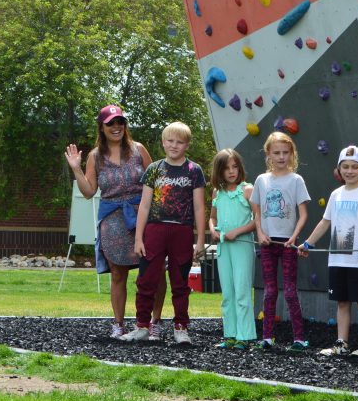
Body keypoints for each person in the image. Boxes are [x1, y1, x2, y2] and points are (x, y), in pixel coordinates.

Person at [65, 104, 166, 339]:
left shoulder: (139, 150)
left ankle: (154, 321)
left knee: (156, 270)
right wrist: (76, 169)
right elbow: (89, 191)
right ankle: (118, 324)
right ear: (102, 127)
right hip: (112, 220)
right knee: (118, 274)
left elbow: (157, 183)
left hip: (142, 215)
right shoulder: (95, 156)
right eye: (110, 123)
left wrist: (160, 215)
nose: (116, 127)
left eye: (120, 122)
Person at [121, 121, 207, 344]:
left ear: (187, 145)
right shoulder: (154, 169)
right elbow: (144, 206)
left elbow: (199, 207)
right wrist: (138, 238)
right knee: (146, 280)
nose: (174, 145)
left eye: (180, 142)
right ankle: (142, 326)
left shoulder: (194, 171)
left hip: (182, 230)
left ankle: (181, 328)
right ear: (163, 142)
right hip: (155, 230)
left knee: (180, 283)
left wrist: (200, 239)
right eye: (170, 141)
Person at [298, 145, 358, 359]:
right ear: (339, 169)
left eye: (355, 167)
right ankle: (341, 343)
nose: (349, 171)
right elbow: (325, 222)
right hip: (337, 259)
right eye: (345, 166)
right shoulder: (336, 194)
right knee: (342, 302)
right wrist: (308, 243)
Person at [251, 132, 311, 351]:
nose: (281, 157)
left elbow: (303, 214)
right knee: (270, 291)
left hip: (288, 244)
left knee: (290, 291)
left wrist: (294, 236)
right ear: (268, 154)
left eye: (285, 152)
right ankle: (267, 337)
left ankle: (299, 339)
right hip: (267, 244)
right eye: (276, 153)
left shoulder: (296, 180)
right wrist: (260, 233)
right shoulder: (261, 180)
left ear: (292, 153)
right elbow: (256, 212)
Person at [208, 148, 257, 348]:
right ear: (219, 171)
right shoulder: (217, 192)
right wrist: (213, 230)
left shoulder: (247, 190)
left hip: (242, 246)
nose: (231, 171)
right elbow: (212, 217)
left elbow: (257, 220)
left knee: (242, 291)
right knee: (227, 292)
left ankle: (244, 337)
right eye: (226, 168)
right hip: (223, 247)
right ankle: (230, 335)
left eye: (234, 167)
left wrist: (237, 232)